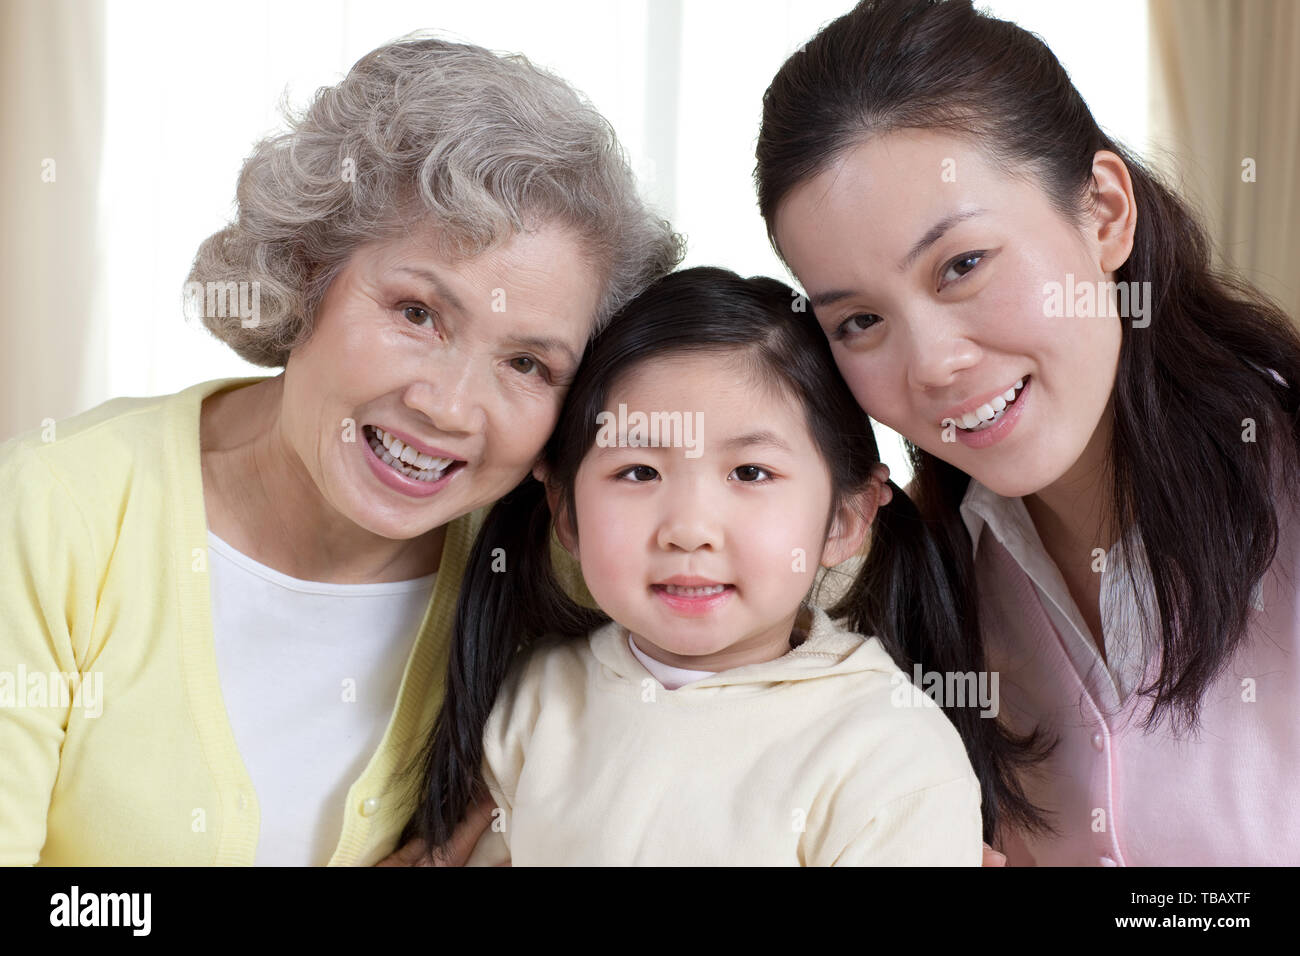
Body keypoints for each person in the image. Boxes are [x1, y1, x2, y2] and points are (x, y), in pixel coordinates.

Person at [0, 35, 681, 866]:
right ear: (307, 269)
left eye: (528, 364)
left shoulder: (571, 558)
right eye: (417, 313)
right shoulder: (48, 510)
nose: (450, 406)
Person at [755, 0, 1300, 865]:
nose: (930, 364)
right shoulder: (921, 586)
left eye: (963, 265)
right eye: (859, 320)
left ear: (1104, 214)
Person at [403, 266, 1051, 865]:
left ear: (844, 520)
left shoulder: (890, 755)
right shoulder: (534, 701)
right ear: (565, 511)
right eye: (638, 471)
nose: (688, 528)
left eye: (750, 472)